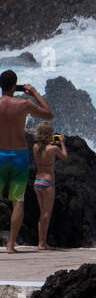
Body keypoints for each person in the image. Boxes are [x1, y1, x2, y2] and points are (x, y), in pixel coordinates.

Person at [0, 71, 54, 253]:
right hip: (19, 155)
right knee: (17, 201)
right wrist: (35, 94)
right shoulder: (23, 104)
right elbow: (48, 114)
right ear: (15, 86)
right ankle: (10, 245)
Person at [32, 122, 68, 250]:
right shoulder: (53, 149)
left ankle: (41, 242)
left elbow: (43, 149)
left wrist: (51, 142)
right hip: (48, 182)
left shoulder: (35, 147)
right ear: (48, 135)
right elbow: (64, 157)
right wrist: (62, 143)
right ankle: (43, 243)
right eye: (51, 133)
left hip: (37, 181)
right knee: (47, 213)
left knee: (42, 213)